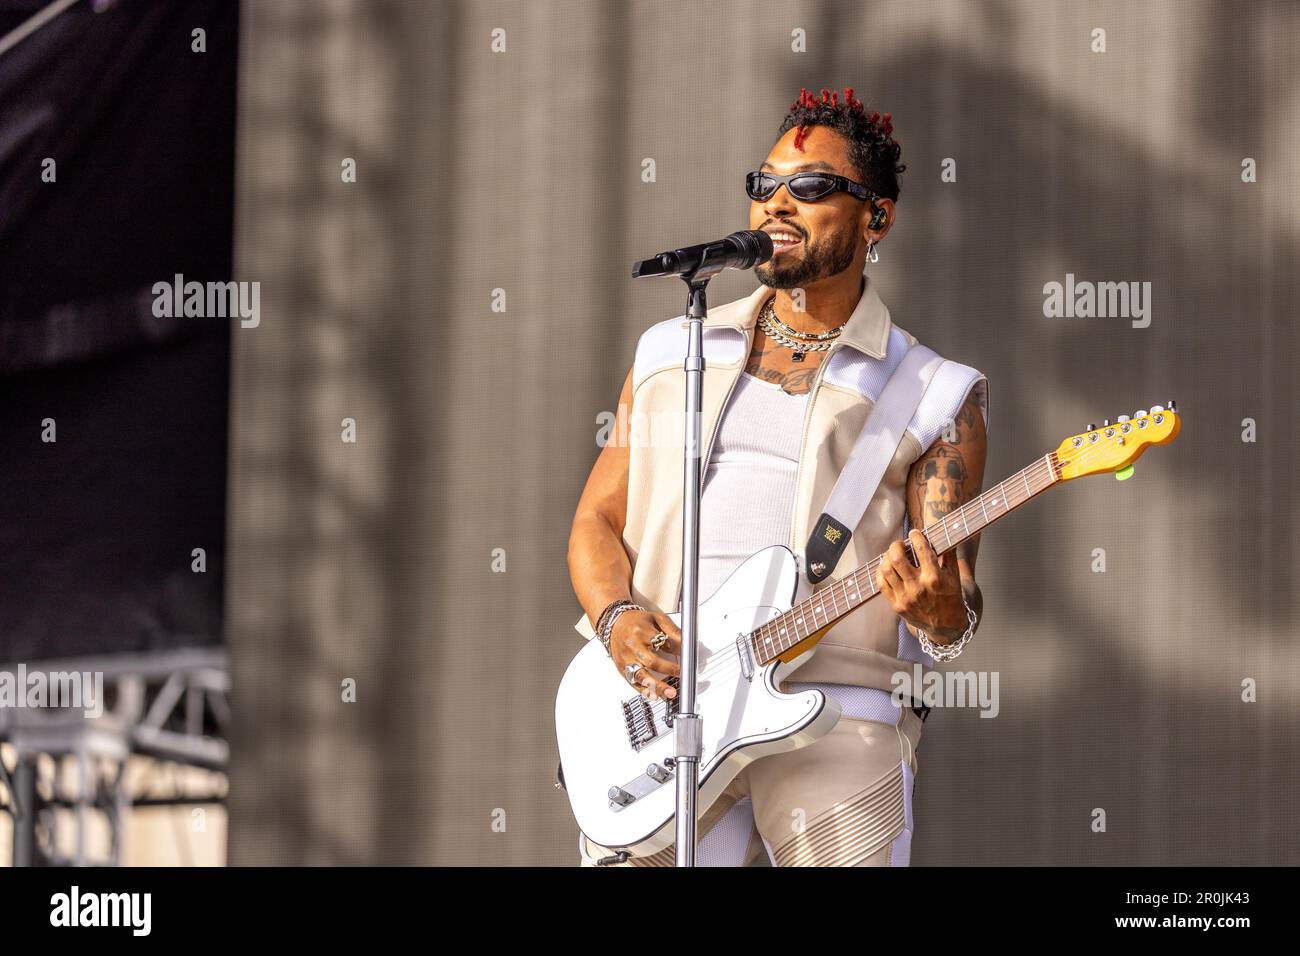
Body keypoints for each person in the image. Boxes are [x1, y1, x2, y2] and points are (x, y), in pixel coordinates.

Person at [567, 87, 989, 866]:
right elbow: (596, 521)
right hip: (663, 708)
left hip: (841, 711)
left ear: (878, 217)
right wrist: (619, 620)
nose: (778, 204)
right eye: (764, 185)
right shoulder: (671, 352)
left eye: (812, 186)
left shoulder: (933, 392)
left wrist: (937, 613)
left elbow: (950, 608)